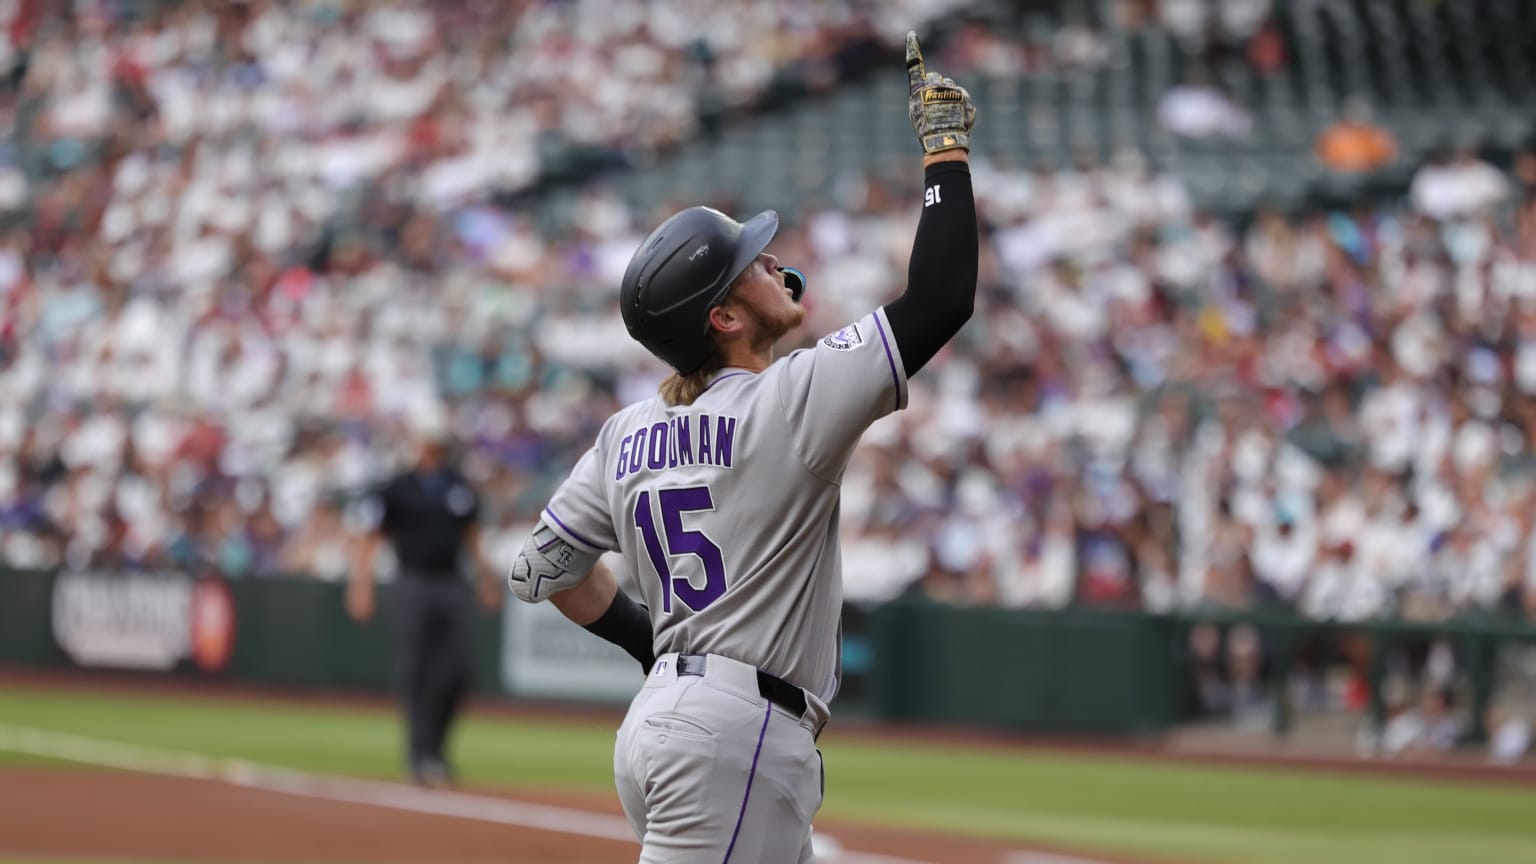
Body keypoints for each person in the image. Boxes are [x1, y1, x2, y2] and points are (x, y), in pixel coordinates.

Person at [504, 32, 977, 862]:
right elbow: (940, 299)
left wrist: (648, 644)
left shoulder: (627, 431)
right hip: (735, 736)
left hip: (670, 725)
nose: (773, 261)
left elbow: (541, 569)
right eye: (753, 264)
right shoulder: (789, 398)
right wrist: (945, 152)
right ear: (722, 317)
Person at [348, 415, 502, 787]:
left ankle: (436, 749)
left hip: (451, 582)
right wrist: (361, 586)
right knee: (415, 668)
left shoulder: (457, 485)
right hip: (412, 581)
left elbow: (472, 536)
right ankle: (420, 755)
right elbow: (371, 536)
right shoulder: (398, 487)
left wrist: (485, 579)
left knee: (459, 669)